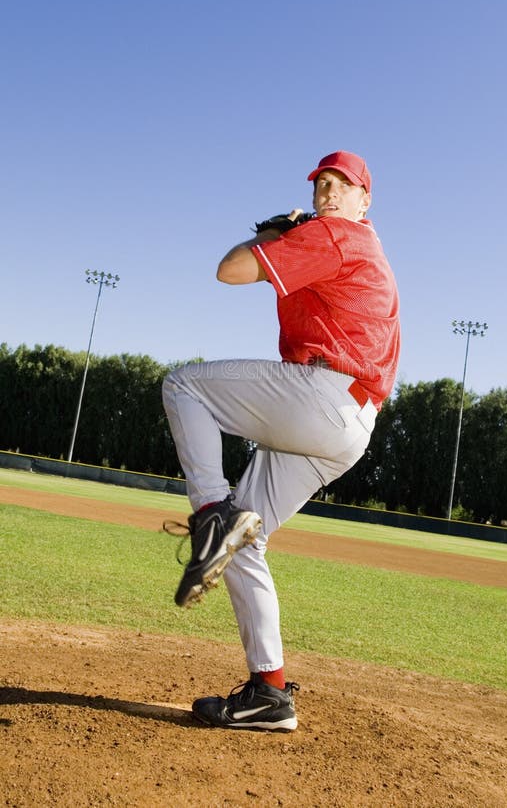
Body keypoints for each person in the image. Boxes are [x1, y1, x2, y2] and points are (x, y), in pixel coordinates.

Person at [162, 150, 400, 732]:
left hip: (325, 397)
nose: (329, 192)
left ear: (365, 201)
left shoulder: (338, 234)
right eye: (322, 184)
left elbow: (230, 269)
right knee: (246, 542)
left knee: (183, 386)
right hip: (347, 425)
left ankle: (212, 513)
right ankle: (269, 693)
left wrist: (274, 231)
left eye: (343, 185)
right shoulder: (351, 243)